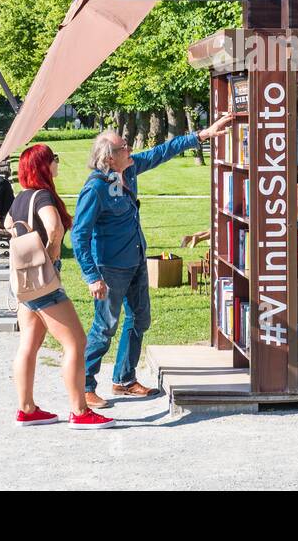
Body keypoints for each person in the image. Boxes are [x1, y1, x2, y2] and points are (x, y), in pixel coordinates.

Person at [72, 114, 234, 408]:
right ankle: (84, 386)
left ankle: (124, 379)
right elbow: (79, 234)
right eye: (124, 147)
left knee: (140, 319)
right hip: (110, 268)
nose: (130, 150)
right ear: (109, 158)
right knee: (104, 327)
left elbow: (162, 152)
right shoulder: (95, 188)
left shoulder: (129, 171)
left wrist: (202, 135)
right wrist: (91, 276)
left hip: (135, 260)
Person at [6, 144, 114, 429]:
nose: (57, 163)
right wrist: (52, 254)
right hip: (44, 284)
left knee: (28, 344)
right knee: (76, 342)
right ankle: (80, 411)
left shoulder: (20, 198)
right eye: (54, 159)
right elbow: (54, 227)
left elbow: (8, 224)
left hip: (24, 285)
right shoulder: (42, 196)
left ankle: (26, 408)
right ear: (43, 166)